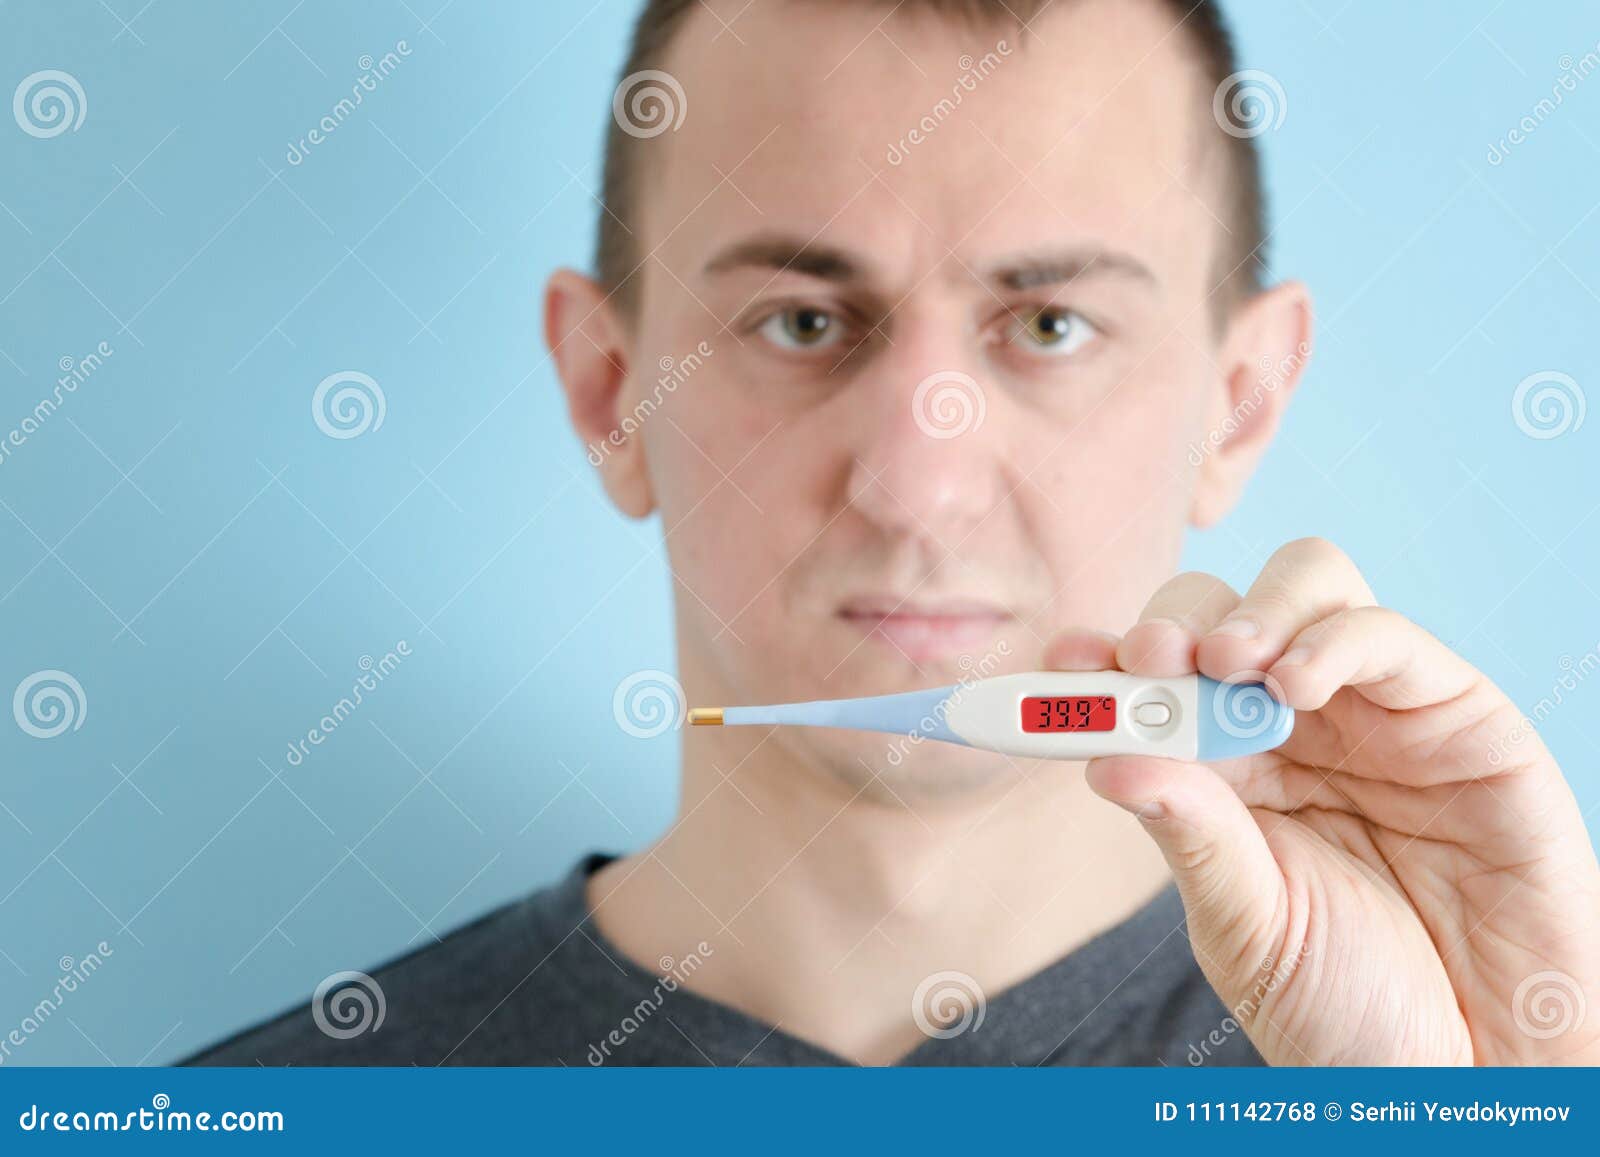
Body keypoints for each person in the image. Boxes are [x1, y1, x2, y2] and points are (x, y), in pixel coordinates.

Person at [188, 0, 1600, 1067]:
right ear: (612, 393)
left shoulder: (1458, 1068)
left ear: (1238, 406)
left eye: (1050, 326)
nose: (917, 487)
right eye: (803, 322)